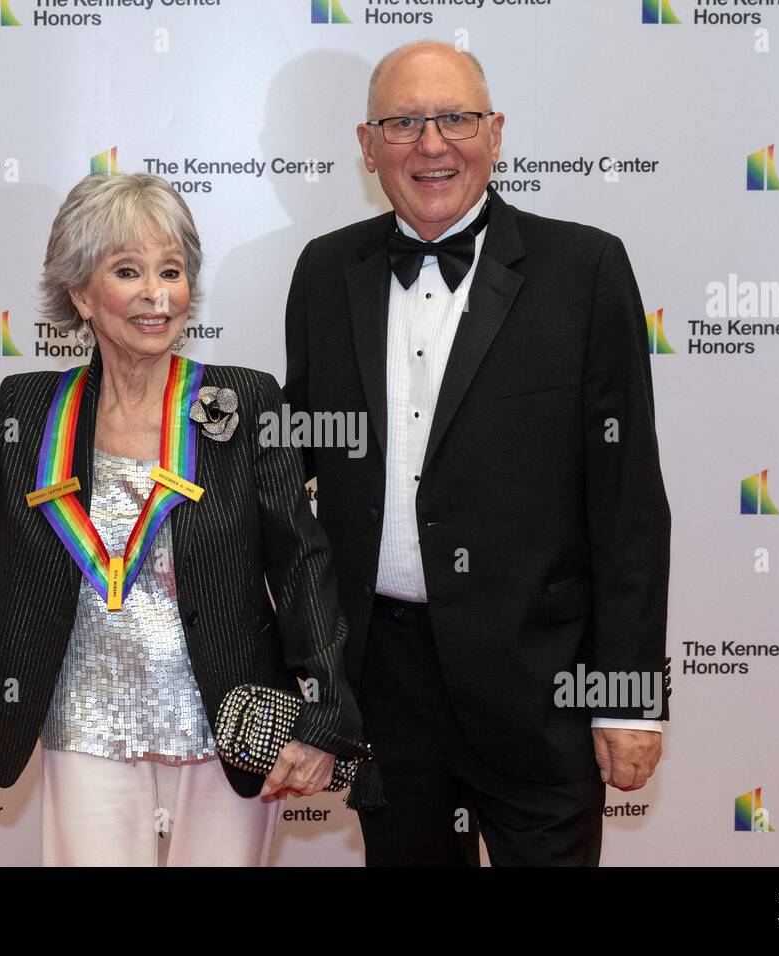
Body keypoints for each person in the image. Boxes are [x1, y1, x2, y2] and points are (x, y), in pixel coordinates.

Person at [0, 172, 370, 866]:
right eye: (128, 271)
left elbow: (301, 565)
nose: (157, 294)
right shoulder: (30, 413)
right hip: (86, 721)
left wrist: (326, 716)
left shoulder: (242, 403)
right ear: (81, 294)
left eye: (171, 271)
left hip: (232, 724)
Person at [283, 40, 671, 866]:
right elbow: (297, 459)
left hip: (543, 687)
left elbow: (629, 500)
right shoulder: (325, 272)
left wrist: (629, 703)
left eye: (455, 118)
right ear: (366, 145)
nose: (431, 144)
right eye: (404, 122)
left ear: (495, 133)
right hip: (385, 685)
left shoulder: (586, 269)